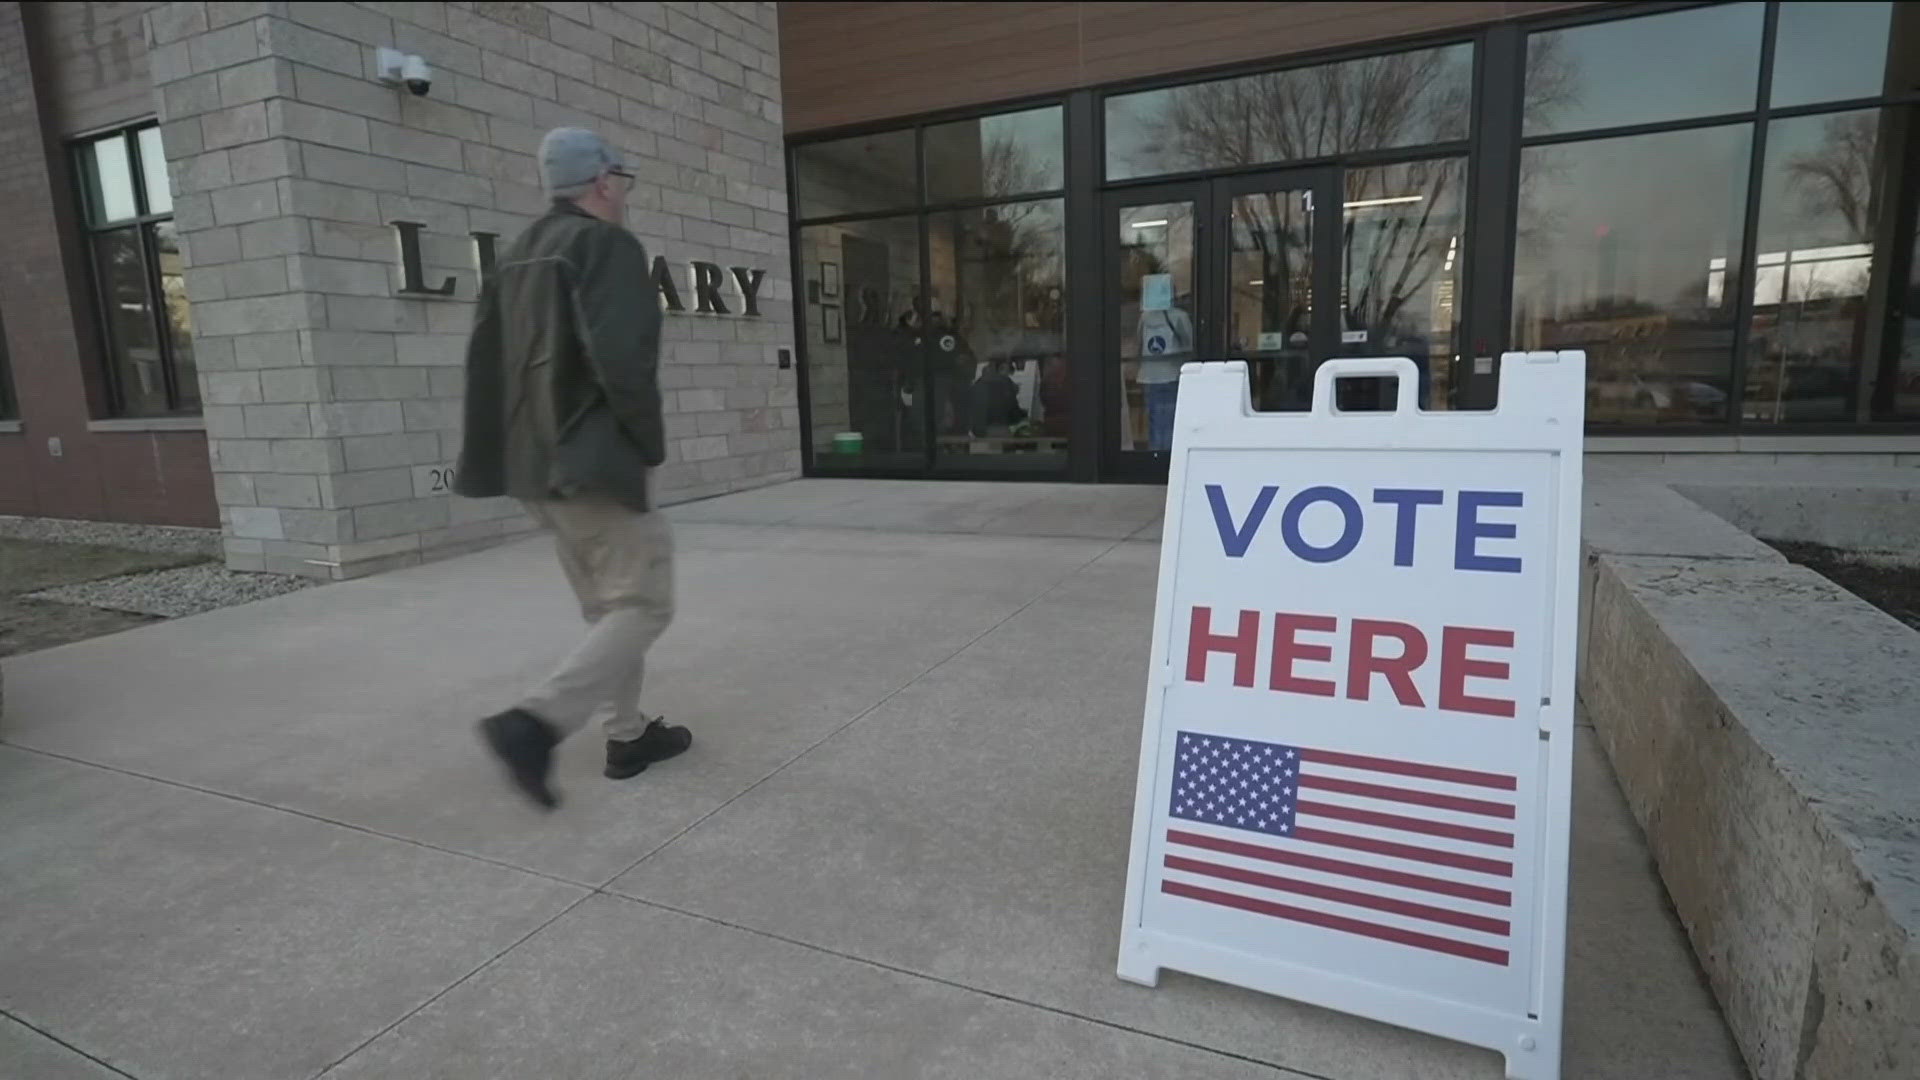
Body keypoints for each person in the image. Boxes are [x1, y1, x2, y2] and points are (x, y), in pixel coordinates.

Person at [455, 127, 690, 809]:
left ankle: (628, 734)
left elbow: (484, 363)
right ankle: (536, 723)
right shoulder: (604, 245)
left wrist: (495, 457)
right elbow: (624, 362)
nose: (626, 195)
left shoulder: (518, 254)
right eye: (625, 181)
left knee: (607, 607)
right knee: (644, 601)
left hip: (533, 465)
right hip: (591, 462)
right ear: (603, 181)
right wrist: (645, 444)